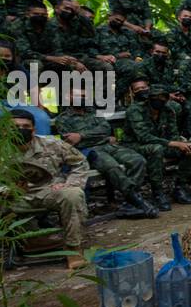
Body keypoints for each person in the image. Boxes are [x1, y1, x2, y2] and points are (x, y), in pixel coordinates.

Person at [0, 108, 90, 270]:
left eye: (25, 126)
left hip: (48, 191)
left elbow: (80, 163)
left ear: (33, 129)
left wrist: (69, 183)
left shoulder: (52, 144)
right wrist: (6, 190)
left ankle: (73, 249)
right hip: (13, 198)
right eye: (14, 127)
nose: (20, 130)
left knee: (73, 194)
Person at [52, 88, 157, 219]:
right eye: (78, 95)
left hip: (108, 145)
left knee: (138, 160)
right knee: (112, 167)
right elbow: (73, 141)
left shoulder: (94, 112)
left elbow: (106, 129)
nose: (82, 98)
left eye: (84, 95)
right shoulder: (63, 119)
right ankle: (138, 202)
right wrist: (96, 137)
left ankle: (128, 203)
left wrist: (82, 135)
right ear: (69, 97)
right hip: (90, 151)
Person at [121, 82, 191, 208]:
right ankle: (158, 192)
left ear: (167, 98)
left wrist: (183, 144)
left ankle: (180, 187)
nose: (159, 100)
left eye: (162, 97)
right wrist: (173, 143)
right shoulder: (135, 110)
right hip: (134, 145)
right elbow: (143, 137)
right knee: (156, 149)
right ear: (149, 98)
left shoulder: (168, 111)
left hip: (160, 143)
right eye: (155, 97)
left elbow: (173, 134)